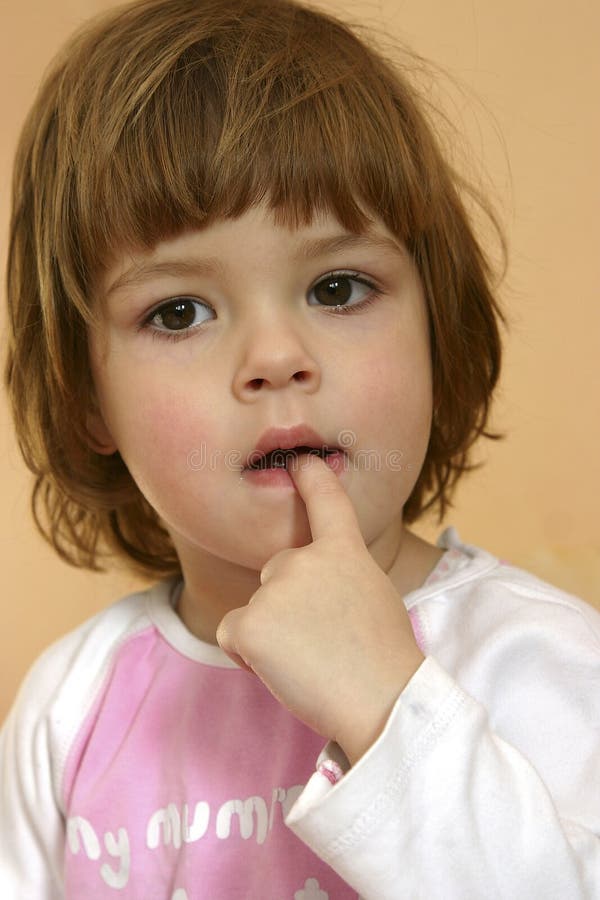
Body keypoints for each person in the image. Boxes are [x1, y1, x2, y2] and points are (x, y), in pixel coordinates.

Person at [1, 0, 599, 895]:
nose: (277, 359)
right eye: (178, 312)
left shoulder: (541, 663)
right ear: (87, 399)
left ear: (440, 329)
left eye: (338, 287)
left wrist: (390, 709)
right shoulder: (72, 704)